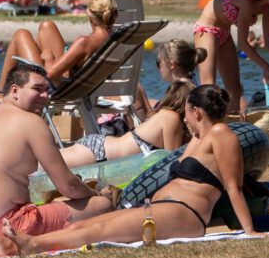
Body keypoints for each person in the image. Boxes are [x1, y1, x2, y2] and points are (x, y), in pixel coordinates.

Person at [0, 85, 257, 254]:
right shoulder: (197, 140)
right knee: (92, 222)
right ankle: (14, 244)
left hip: (185, 214)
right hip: (165, 208)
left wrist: (250, 232)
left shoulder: (222, 133)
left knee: (104, 230)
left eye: (187, 112)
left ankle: (31, 245)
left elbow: (233, 187)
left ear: (197, 111)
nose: (184, 118)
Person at [0, 62, 110, 248]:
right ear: (15, 91)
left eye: (47, 90)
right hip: (5, 227)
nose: (45, 96)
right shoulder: (31, 122)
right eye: (37, 89)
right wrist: (95, 193)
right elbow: (69, 186)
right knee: (102, 205)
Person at [60, 39, 199, 167]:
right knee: (45, 165)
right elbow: (172, 166)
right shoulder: (171, 119)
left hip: (102, 150)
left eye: (159, 63)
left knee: (48, 162)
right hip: (99, 152)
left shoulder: (168, 118)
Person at [6, 0, 122, 89]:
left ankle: (0, 94)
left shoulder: (84, 42)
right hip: (85, 85)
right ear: (114, 15)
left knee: (20, 34)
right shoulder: (120, 39)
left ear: (90, 16)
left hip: (63, 87)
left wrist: (49, 58)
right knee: (47, 26)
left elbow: (50, 73)